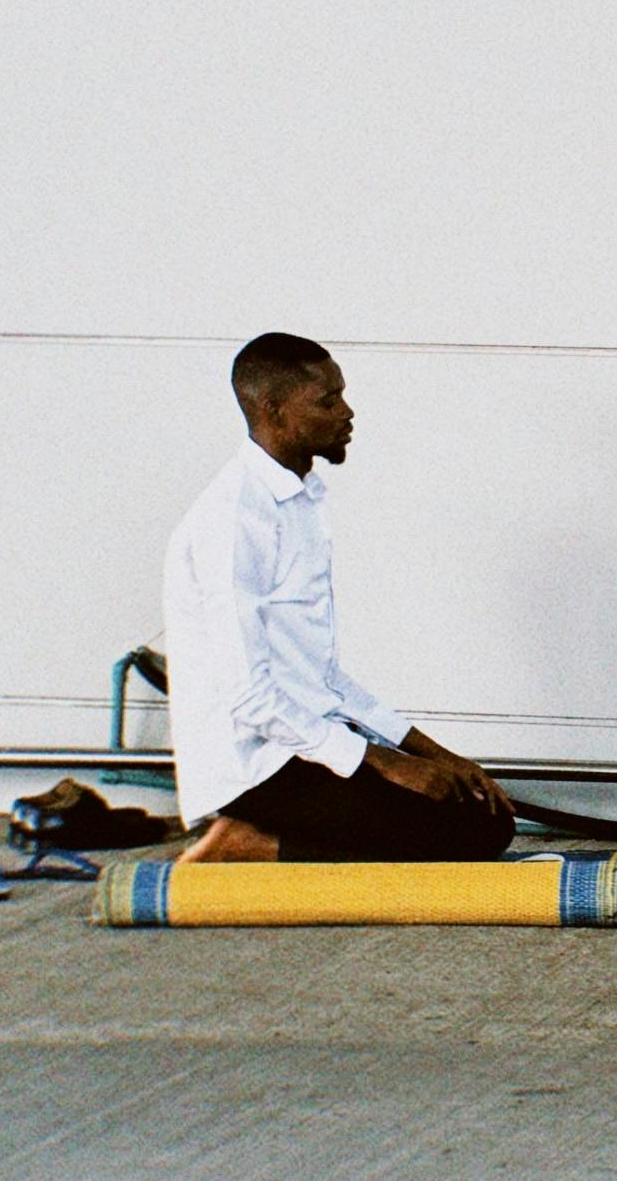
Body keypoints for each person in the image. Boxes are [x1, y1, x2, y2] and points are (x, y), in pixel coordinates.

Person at [163, 331, 515, 864]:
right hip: (253, 764)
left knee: (484, 815)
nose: (347, 413)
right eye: (328, 401)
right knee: (468, 834)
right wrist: (385, 762)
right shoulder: (236, 518)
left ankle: (265, 835)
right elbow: (249, 698)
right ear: (274, 411)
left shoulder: (300, 498)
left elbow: (321, 680)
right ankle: (247, 840)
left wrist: (434, 754)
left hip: (301, 743)